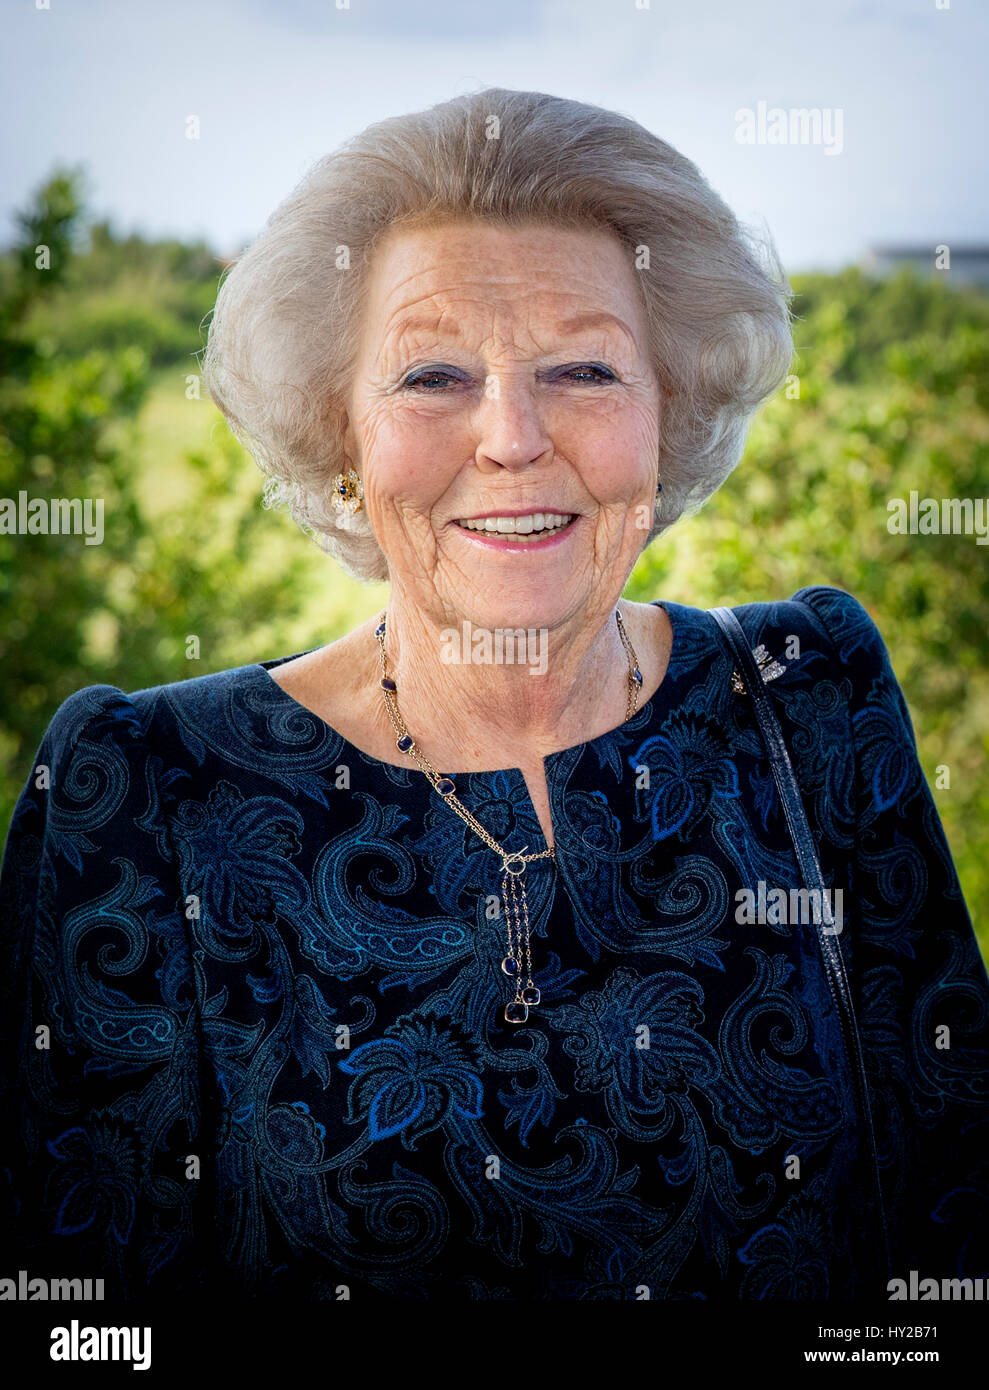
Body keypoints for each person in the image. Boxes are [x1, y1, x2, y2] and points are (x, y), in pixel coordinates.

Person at [1, 88, 986, 1301]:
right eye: (430, 376)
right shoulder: (141, 792)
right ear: (340, 439)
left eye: (583, 367)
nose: (512, 436)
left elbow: (951, 1225)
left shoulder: (811, 694)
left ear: (667, 410)